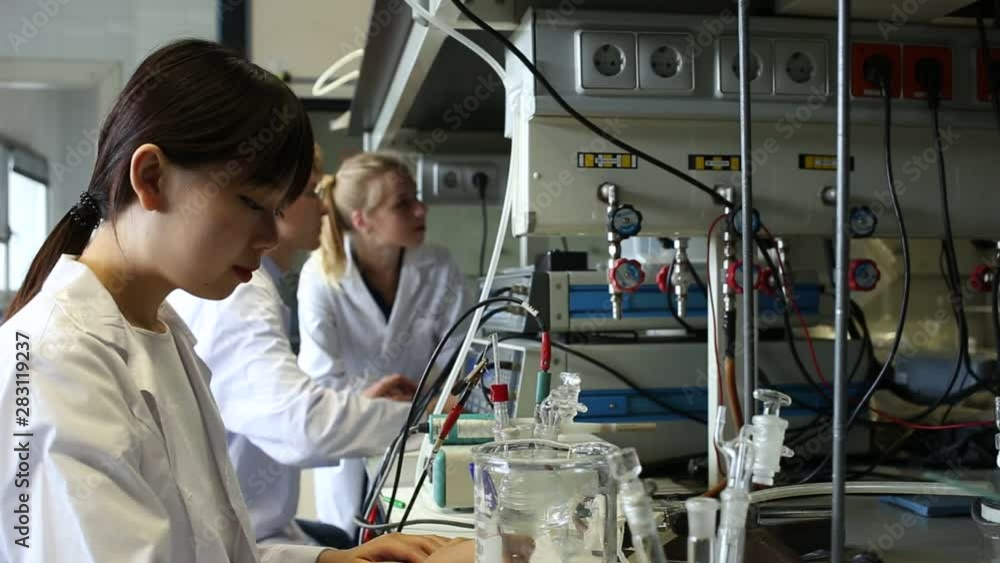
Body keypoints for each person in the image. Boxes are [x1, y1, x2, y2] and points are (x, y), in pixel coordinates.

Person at [0, 39, 470, 563]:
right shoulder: (55, 362)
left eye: (280, 207)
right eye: (255, 204)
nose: (271, 235)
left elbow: (208, 549)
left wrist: (325, 562)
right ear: (152, 178)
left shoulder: (162, 330)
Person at [167, 143, 417, 549]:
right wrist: (420, 421)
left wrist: (366, 405)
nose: (325, 207)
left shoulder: (256, 286)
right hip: (244, 541)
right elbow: (301, 425)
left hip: (259, 526)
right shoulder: (241, 294)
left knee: (349, 539)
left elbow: (280, 403)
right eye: (313, 192)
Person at [298, 152, 469, 535]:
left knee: (420, 537)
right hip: (350, 438)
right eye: (402, 204)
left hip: (425, 432)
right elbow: (320, 378)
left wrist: (427, 397)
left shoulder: (439, 265)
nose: (421, 210)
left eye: (417, 198)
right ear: (363, 220)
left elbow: (462, 354)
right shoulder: (320, 275)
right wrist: (370, 398)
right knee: (352, 542)